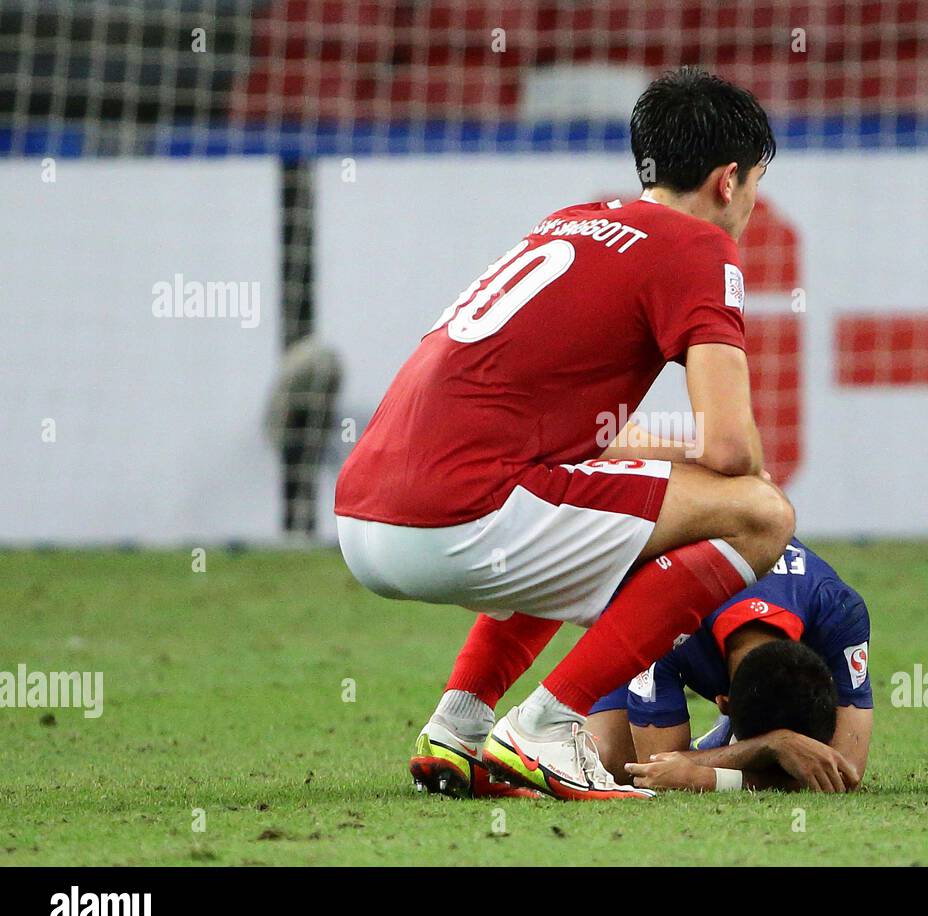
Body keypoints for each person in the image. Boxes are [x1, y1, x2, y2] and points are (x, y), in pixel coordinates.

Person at [334, 67, 793, 799]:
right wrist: (704, 467)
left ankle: (459, 726)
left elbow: (591, 438)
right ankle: (548, 725)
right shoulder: (698, 247)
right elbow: (733, 450)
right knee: (761, 513)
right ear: (729, 179)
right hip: (458, 517)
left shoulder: (572, 219)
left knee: (590, 515)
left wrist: (658, 454)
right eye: (758, 183)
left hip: (364, 519)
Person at [589, 540, 872, 793]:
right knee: (610, 762)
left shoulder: (840, 611)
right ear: (724, 702)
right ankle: (731, 742)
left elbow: (845, 772)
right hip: (635, 607)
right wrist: (772, 745)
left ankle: (726, 743)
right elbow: (652, 768)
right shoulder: (663, 616)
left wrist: (709, 778)